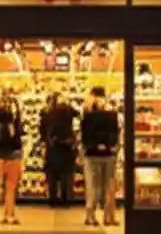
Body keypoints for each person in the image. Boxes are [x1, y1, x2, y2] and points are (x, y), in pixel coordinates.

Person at [80, 86, 120, 227]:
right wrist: (111, 146)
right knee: (109, 187)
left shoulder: (87, 115)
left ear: (93, 96)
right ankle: (109, 217)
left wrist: (89, 147)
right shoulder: (113, 114)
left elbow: (84, 136)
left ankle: (90, 216)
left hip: (92, 155)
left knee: (93, 186)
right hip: (109, 154)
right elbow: (116, 133)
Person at [40, 92, 79, 207]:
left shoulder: (47, 113)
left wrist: (45, 143)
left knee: (52, 174)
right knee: (66, 174)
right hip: (67, 146)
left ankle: (52, 199)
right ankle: (65, 199)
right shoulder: (68, 111)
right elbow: (78, 114)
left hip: (52, 147)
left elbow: (42, 130)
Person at [0, 88, 24, 226]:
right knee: (11, 188)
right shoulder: (12, 126)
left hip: (1, 156)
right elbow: (16, 138)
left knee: (4, 187)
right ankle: (10, 215)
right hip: (13, 156)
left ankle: (6, 214)